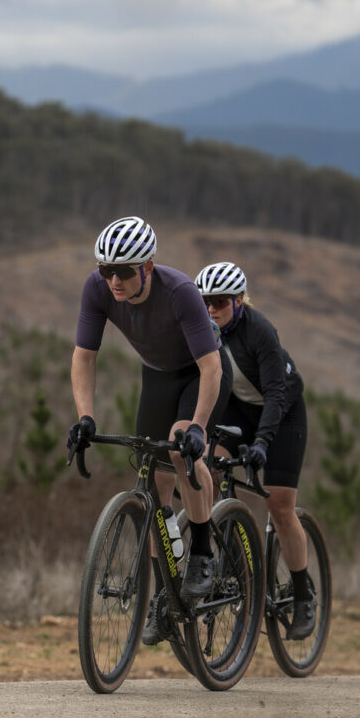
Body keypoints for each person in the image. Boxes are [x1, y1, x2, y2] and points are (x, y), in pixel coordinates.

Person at [66, 216, 232, 645]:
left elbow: (211, 366)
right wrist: (85, 417)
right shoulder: (98, 289)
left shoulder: (180, 292)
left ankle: (201, 554)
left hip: (201, 373)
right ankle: (166, 596)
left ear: (149, 266)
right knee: (153, 488)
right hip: (158, 377)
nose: (114, 281)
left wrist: (197, 427)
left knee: (180, 450)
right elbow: (84, 356)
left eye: (123, 271)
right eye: (107, 271)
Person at [194, 261, 318, 641]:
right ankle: (219, 550)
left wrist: (263, 441)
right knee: (206, 467)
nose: (211, 309)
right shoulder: (200, 330)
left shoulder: (259, 330)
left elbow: (277, 394)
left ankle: (302, 592)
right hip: (238, 410)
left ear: (238, 300)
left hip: (281, 413)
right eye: (204, 302)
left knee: (280, 505)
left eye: (218, 301)